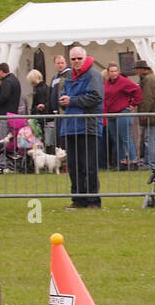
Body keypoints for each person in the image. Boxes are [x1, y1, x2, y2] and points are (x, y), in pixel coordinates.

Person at [57, 46, 104, 208]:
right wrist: (63, 101)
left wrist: (72, 101)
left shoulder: (94, 75)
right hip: (70, 127)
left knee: (89, 166)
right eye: (73, 59)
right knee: (74, 166)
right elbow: (64, 95)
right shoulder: (69, 76)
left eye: (79, 59)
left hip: (88, 126)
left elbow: (96, 97)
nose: (76, 62)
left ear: (85, 58)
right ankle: (77, 199)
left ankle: (93, 200)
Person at [101, 63, 141, 169]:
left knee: (126, 137)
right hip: (111, 114)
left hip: (122, 112)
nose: (113, 73)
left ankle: (133, 161)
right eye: (111, 71)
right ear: (108, 72)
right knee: (116, 139)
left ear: (118, 72)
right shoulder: (107, 83)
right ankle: (122, 161)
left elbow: (137, 91)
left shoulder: (124, 81)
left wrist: (133, 104)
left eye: (115, 71)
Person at [132, 59, 155, 172]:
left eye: (137, 69)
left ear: (142, 69)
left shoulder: (148, 79)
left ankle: (150, 162)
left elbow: (147, 98)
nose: (136, 71)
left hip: (151, 113)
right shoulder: (153, 77)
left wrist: (144, 112)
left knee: (149, 139)